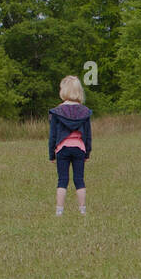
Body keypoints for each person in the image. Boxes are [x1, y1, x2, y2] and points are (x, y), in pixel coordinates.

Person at [49, 76, 92, 215]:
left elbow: (53, 136)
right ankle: (82, 210)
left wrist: (52, 154)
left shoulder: (57, 112)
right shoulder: (84, 112)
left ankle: (59, 210)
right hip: (79, 148)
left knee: (62, 180)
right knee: (79, 179)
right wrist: (87, 153)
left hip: (62, 148)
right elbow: (88, 135)